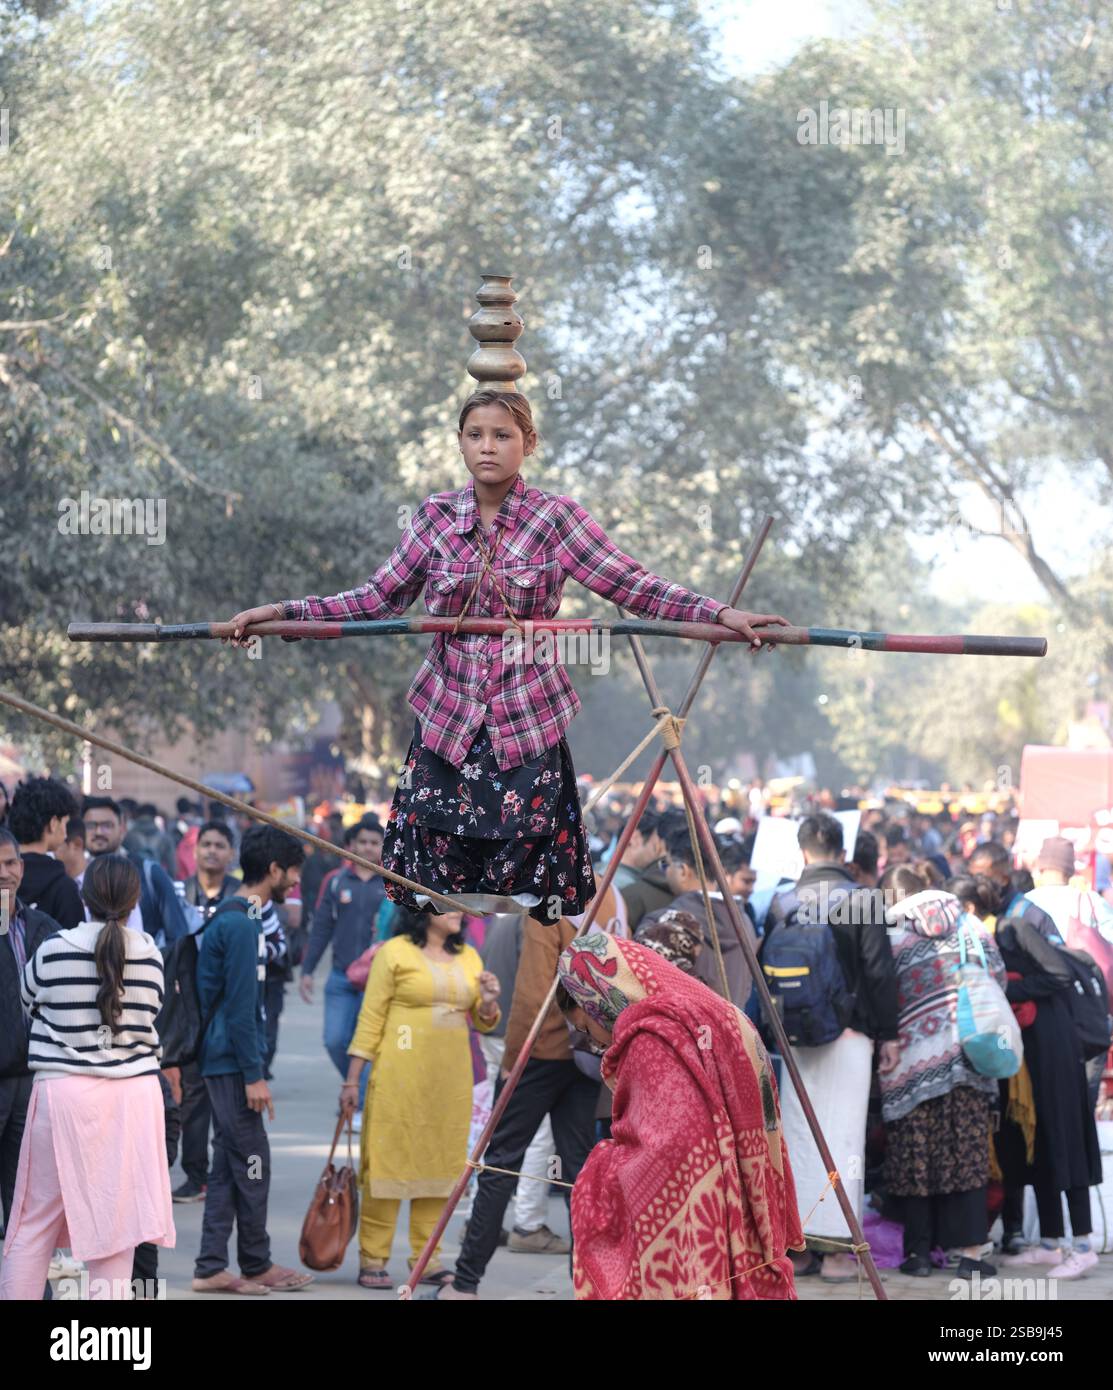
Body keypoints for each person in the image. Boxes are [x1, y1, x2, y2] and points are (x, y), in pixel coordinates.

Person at [225, 389, 789, 923]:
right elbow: (375, 599)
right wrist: (282, 614)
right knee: (435, 879)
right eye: (475, 435)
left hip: (527, 719)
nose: (487, 446)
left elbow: (632, 585)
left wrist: (720, 616)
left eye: (502, 435)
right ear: (461, 442)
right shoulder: (435, 517)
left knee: (528, 883)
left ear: (529, 443)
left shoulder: (555, 518)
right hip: (448, 720)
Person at [555, 930, 802, 1299]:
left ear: (597, 1003)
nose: (593, 1041)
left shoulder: (652, 1039)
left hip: (697, 1218)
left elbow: (668, 1151)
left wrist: (601, 1165)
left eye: (584, 1026)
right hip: (740, 1198)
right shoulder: (719, 1016)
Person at [0, 854, 174, 1300]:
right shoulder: (150, 954)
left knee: (32, 1226)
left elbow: (28, 1001)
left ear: (84, 896)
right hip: (133, 1099)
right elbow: (152, 1012)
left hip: (62, 1094)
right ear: (134, 900)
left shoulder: (54, 949)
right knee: (117, 1232)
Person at [433, 902, 603, 1300]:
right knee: (579, 1173)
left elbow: (531, 993)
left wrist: (512, 1059)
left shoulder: (548, 907)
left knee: (500, 1166)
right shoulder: (605, 898)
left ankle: (465, 1283)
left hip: (542, 1052)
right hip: (585, 1051)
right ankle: (588, 1283)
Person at [762, 812, 899, 1282]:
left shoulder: (782, 901)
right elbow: (880, 974)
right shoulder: (863, 900)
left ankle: (798, 1247)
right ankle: (840, 1249)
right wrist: (890, 1034)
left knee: (798, 1136)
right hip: (849, 1037)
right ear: (842, 853)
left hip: (794, 1036)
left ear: (803, 852)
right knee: (843, 1139)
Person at [339, 907, 500, 1289]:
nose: (460, 911)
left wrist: (490, 1000)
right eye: (448, 903)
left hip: (450, 1082)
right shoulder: (393, 953)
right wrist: (351, 1082)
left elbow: (483, 1020)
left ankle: (428, 1259)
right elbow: (371, 1018)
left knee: (441, 1167)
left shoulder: (469, 955)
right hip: (399, 1077)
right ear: (424, 910)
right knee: (388, 1166)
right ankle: (373, 1257)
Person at [955, 866, 1102, 1280]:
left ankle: (1082, 1244)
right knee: (1037, 1141)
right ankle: (1052, 1242)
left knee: (1064, 1136)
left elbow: (1057, 974)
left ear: (970, 906)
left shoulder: (1015, 926)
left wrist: (1004, 988)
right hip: (1027, 1052)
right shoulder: (993, 931)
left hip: (1054, 1048)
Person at [191, 825, 312, 1294]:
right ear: (275, 870)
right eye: (294, 873)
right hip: (230, 1061)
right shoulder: (240, 924)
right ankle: (255, 1263)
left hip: (224, 1059)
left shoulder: (240, 916)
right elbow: (241, 1009)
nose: (296, 883)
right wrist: (254, 1076)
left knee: (229, 1163)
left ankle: (210, 1267)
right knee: (254, 1159)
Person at [878, 863, 1004, 1279]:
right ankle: (970, 1254)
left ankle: (918, 1254)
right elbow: (997, 979)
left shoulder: (891, 937)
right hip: (969, 1059)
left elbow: (881, 995)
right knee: (966, 1154)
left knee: (915, 1158)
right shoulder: (970, 927)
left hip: (910, 1066)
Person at [458, 912, 567, 1254]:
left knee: (495, 1126)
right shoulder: (538, 920)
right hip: (517, 1036)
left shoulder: (506, 916)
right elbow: (532, 993)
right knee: (538, 1135)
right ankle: (528, 1223)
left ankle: (478, 1217)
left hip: (496, 1030)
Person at [172, 820, 241, 1205]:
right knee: (193, 1095)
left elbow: (276, 947)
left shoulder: (244, 897)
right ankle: (195, 1176)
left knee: (229, 1094)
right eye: (206, 844)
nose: (212, 851)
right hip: (189, 1013)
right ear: (195, 852)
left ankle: (225, 1174)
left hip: (231, 1013)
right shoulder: (179, 894)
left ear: (231, 854)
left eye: (219, 845)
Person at [299, 820, 387, 1116]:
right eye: (362, 842)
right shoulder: (336, 881)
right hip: (340, 976)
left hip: (378, 979)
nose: (368, 848)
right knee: (335, 1040)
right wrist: (307, 969)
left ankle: (361, 1101)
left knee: (366, 1043)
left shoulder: (393, 884)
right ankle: (361, 1093)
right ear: (351, 845)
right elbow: (322, 927)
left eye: (375, 843)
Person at [0, 830, 60, 1233]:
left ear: (21, 867)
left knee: (24, 1202)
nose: (4, 873)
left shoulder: (41, 926)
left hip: (32, 1080)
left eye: (10, 863)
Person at [637, 825, 758, 1010]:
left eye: (666, 864)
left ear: (683, 870)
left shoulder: (663, 923)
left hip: (683, 1036)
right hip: (733, 1033)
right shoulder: (744, 920)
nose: (665, 872)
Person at [83, 797, 189, 948]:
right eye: (91, 826)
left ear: (122, 829)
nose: (99, 832)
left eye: (107, 825)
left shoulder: (149, 873)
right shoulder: (73, 876)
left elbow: (178, 937)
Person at [7, 778, 85, 931]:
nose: (65, 831)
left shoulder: (5, 879)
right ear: (54, 823)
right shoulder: (64, 887)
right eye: (65, 823)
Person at [610, 809, 666, 894]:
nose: (660, 855)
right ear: (634, 839)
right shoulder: (624, 886)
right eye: (656, 847)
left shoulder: (599, 871)